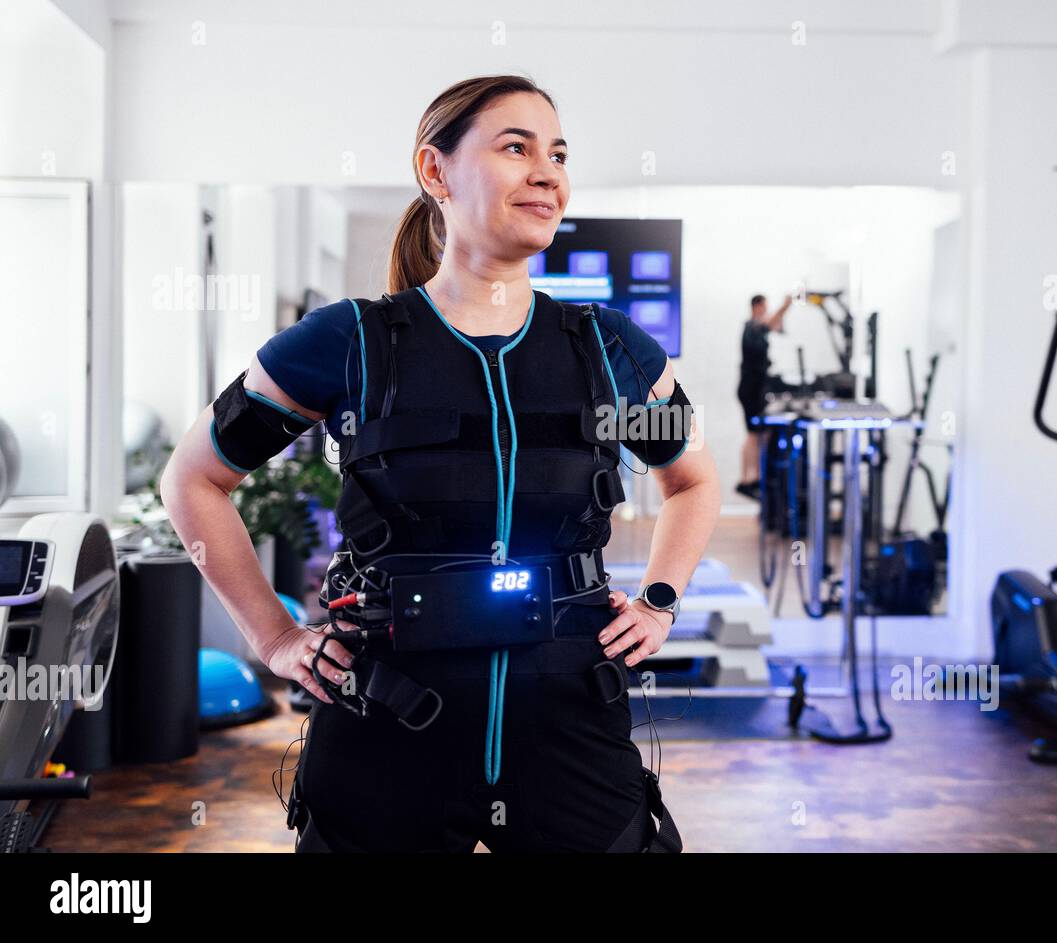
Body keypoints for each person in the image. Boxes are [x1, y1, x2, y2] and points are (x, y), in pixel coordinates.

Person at [159, 74, 722, 852]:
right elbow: (193, 477)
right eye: (515, 147)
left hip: (568, 724)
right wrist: (275, 638)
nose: (548, 171)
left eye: (558, 153)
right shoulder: (349, 341)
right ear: (435, 171)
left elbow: (691, 478)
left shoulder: (610, 347)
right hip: (388, 728)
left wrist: (660, 598)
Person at [735, 292, 792, 499]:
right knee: (753, 433)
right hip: (750, 389)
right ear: (757, 306)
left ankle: (755, 475)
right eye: (765, 307)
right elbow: (770, 322)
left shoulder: (758, 330)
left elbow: (775, 326)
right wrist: (786, 305)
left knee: (762, 432)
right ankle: (747, 478)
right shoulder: (751, 327)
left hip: (755, 388)